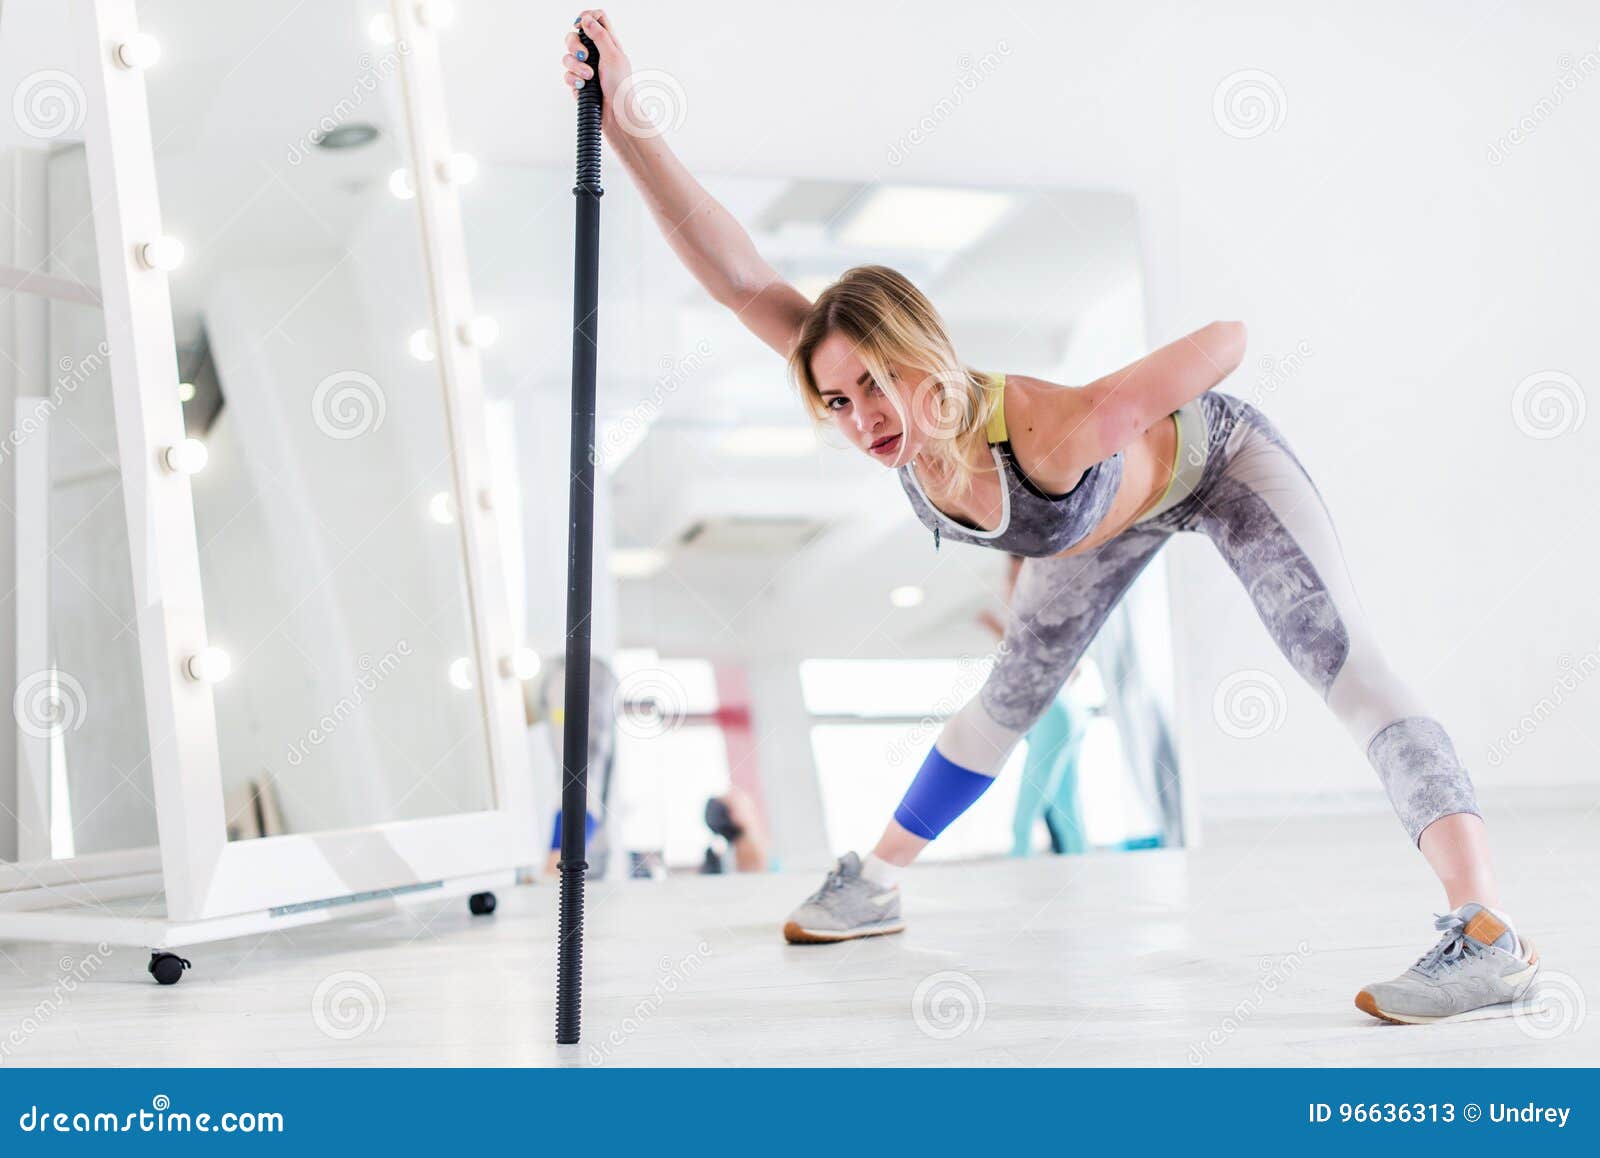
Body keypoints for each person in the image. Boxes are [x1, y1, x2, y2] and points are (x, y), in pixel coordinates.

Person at [559, 12, 1541, 1025]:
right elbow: (738, 278)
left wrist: (1124, 413)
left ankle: (1486, 933)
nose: (862, 419)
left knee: (1340, 661)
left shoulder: (1051, 433)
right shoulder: (897, 430)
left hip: (1216, 462)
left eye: (875, 384)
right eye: (837, 401)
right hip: (1097, 522)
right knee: (1011, 692)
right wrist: (623, 113)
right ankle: (877, 883)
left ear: (919, 351)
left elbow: (1228, 335)